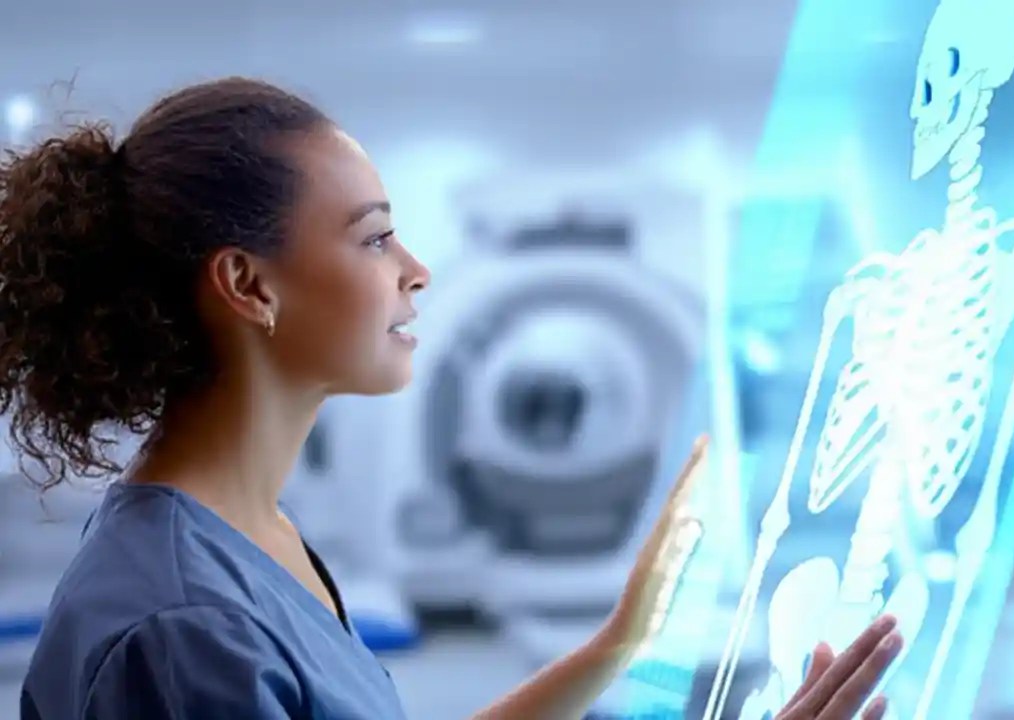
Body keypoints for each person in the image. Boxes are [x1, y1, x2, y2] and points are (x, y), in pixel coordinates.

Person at [0, 77, 903, 719]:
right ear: (249, 284)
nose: (417, 271)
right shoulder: (188, 631)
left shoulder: (242, 538)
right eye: (374, 238)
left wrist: (619, 642)